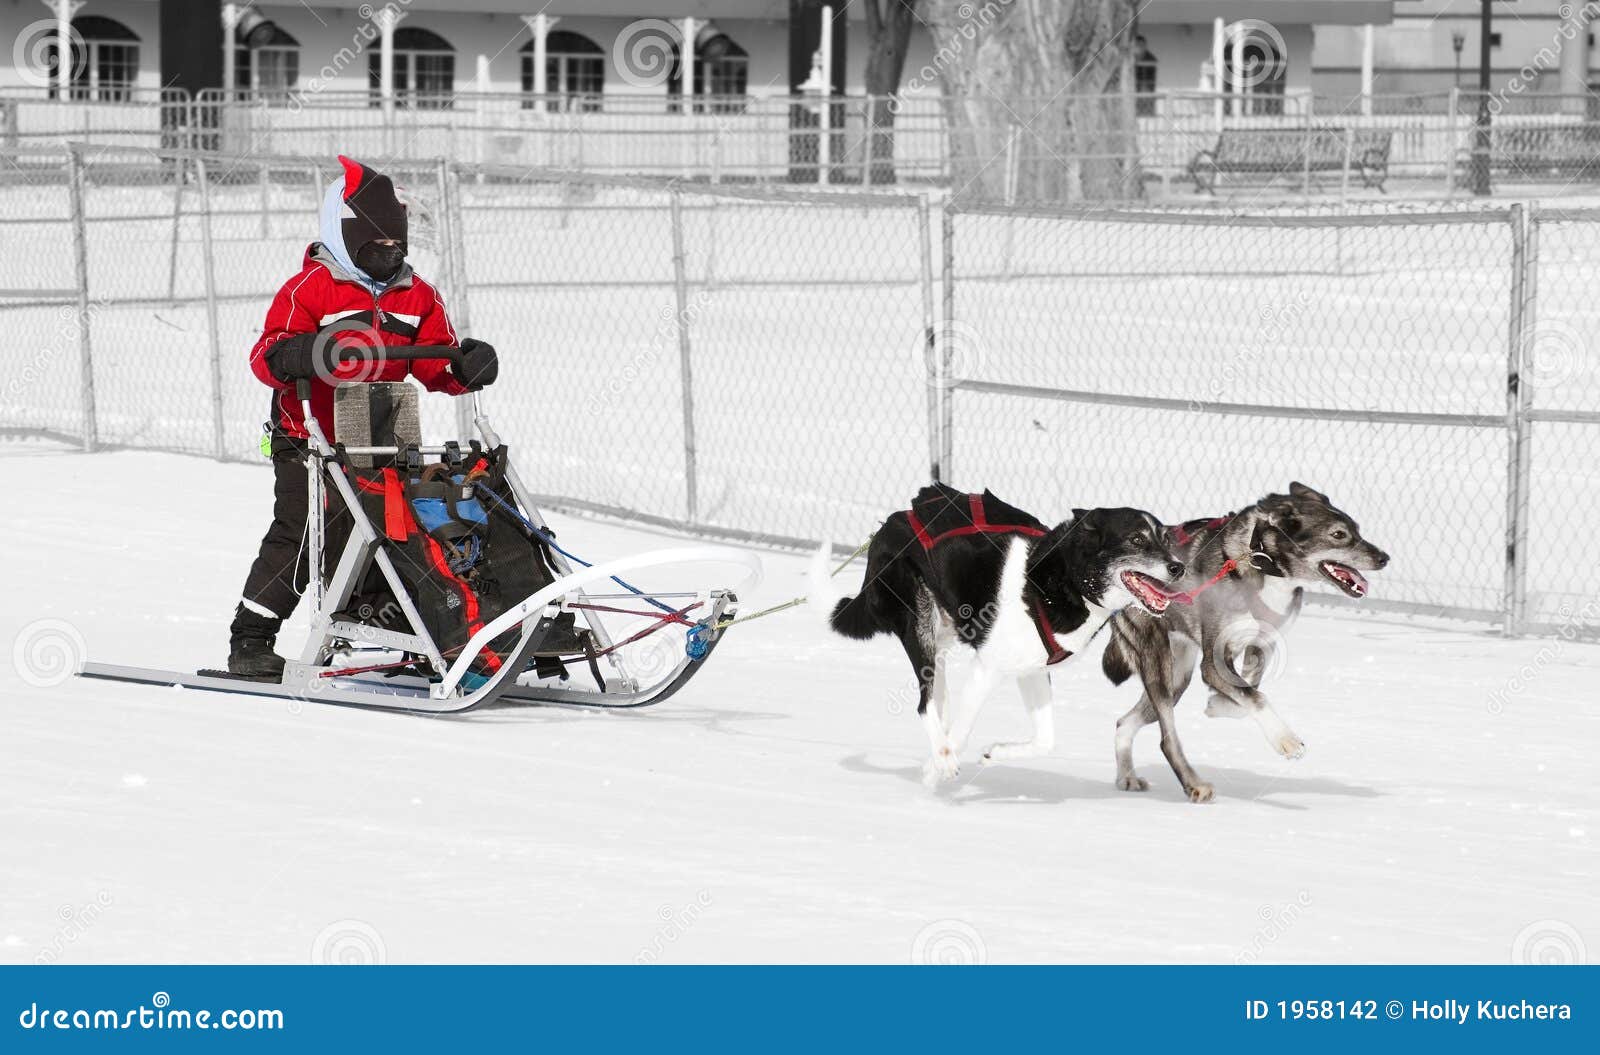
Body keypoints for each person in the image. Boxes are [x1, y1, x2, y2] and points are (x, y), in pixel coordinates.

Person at [226, 155, 497, 679]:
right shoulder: (310, 289)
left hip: (383, 437)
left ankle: (422, 631)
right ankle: (251, 638)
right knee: (308, 528)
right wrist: (303, 354)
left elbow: (436, 362)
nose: (387, 257)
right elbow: (268, 356)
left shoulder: (417, 294)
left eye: (396, 248)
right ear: (347, 242)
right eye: (374, 248)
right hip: (309, 439)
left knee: (407, 525)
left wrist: (465, 367)